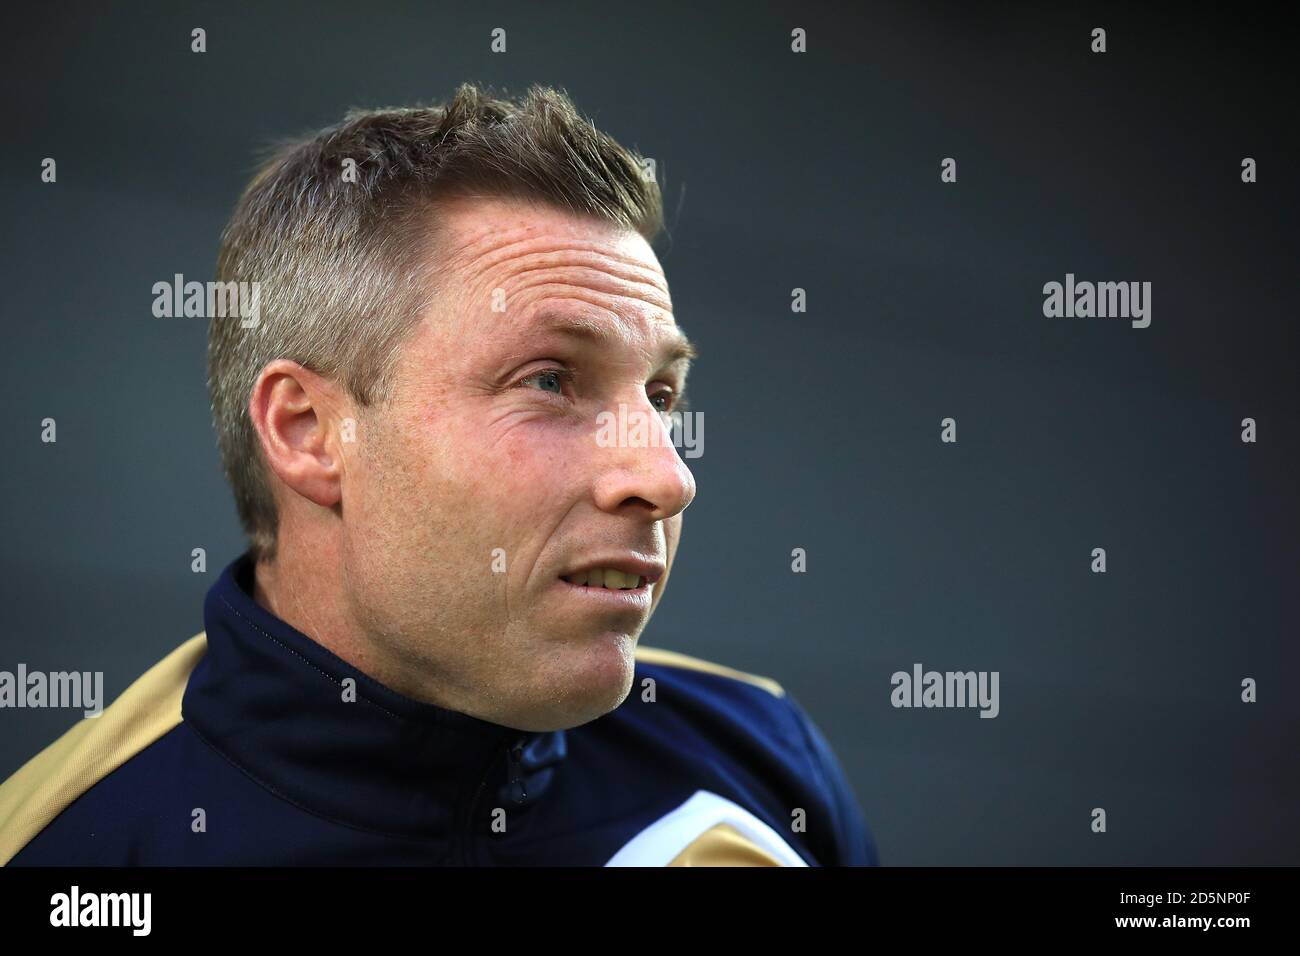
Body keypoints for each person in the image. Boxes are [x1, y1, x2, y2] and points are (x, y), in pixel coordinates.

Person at [0, 84, 879, 866]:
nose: (666, 477)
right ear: (308, 432)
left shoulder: (761, 764)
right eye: (549, 380)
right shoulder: (74, 847)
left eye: (660, 393)